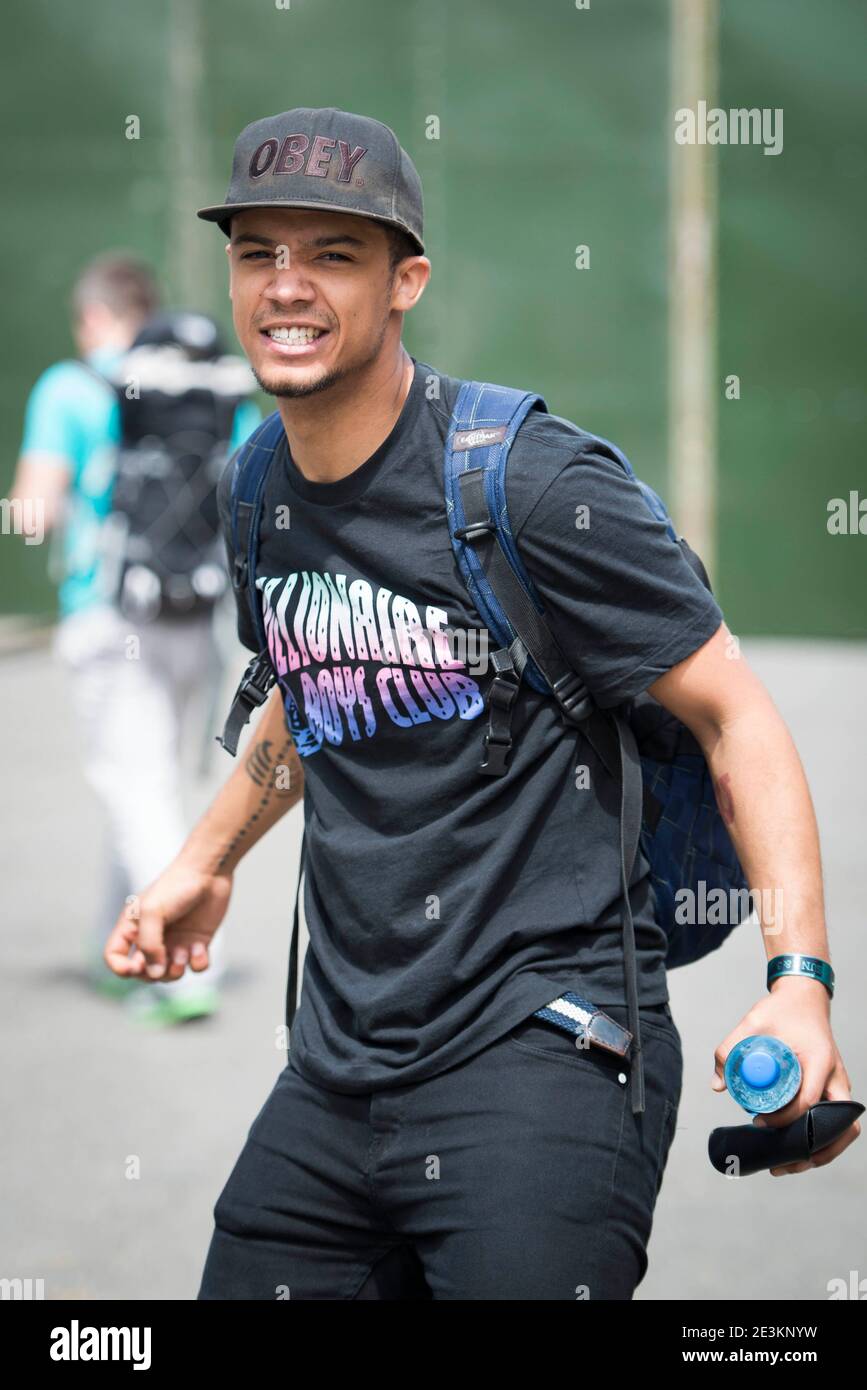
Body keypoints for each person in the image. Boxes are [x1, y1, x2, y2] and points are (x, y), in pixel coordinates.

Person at [103, 109, 859, 1298]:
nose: (287, 287)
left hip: (549, 1052)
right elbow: (316, 681)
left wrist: (799, 985)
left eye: (333, 255)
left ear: (408, 279)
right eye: (259, 252)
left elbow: (738, 716)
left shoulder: (532, 479)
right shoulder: (256, 482)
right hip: (337, 1069)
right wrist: (206, 859)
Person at [11, 253, 260, 1024]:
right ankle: (110, 941)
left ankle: (182, 970)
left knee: (135, 781)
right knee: (147, 777)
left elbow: (34, 509)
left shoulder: (70, 387)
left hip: (109, 612)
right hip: (199, 614)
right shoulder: (214, 384)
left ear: (92, 318)